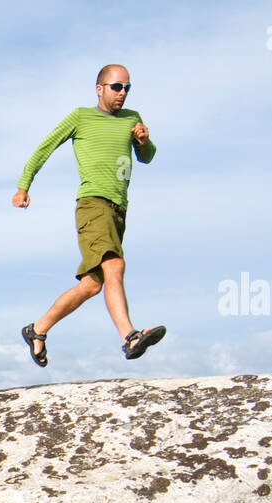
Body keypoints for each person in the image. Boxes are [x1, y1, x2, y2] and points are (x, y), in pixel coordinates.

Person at [13, 64, 166, 367]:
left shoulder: (132, 118)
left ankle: (37, 330)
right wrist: (23, 186)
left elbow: (147, 158)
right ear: (100, 89)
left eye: (127, 88)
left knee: (92, 285)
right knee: (115, 265)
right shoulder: (81, 117)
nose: (122, 93)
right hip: (93, 203)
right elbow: (44, 148)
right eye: (116, 87)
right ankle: (129, 337)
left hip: (119, 209)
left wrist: (144, 141)